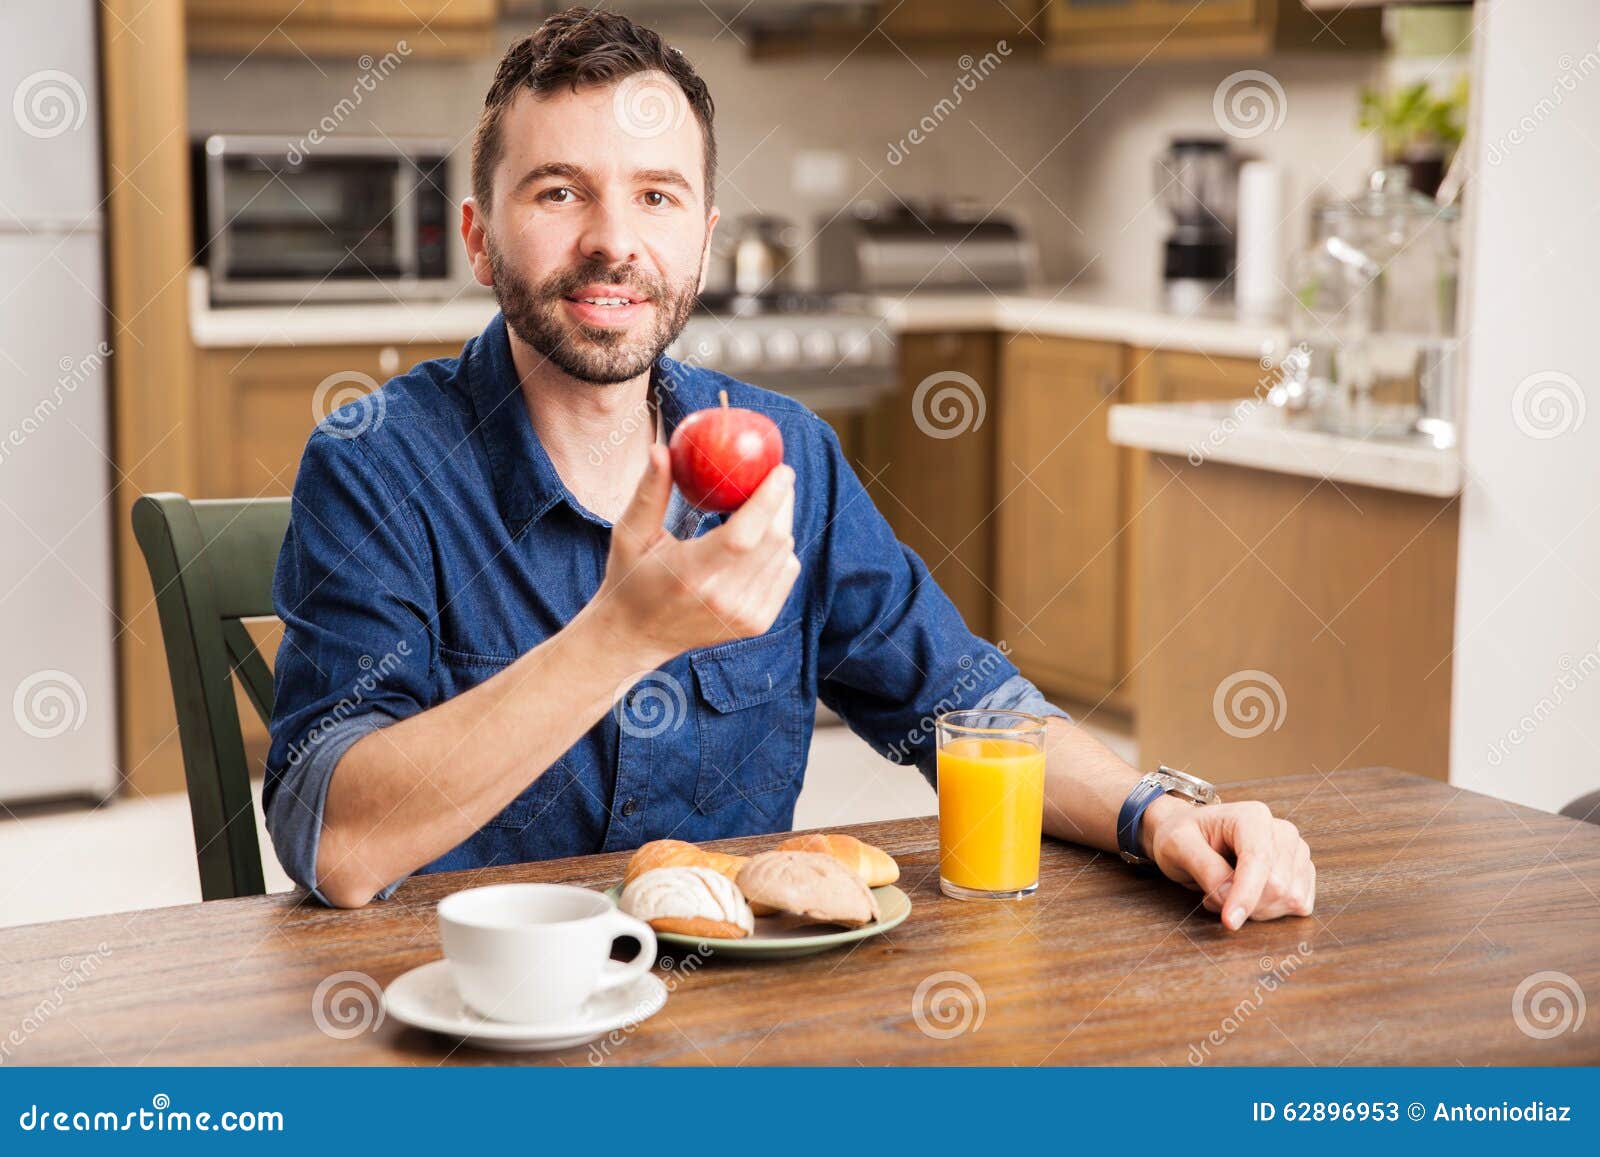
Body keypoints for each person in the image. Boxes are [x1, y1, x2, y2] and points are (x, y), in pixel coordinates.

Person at [266, 7, 1315, 923]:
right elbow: (336, 846)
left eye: (658, 197)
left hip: (739, 1029)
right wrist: (620, 634)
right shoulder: (375, 465)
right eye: (557, 193)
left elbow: (965, 700)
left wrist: (1158, 811)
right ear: (478, 238)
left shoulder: (786, 455)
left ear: (706, 240)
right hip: (475, 1029)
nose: (612, 240)